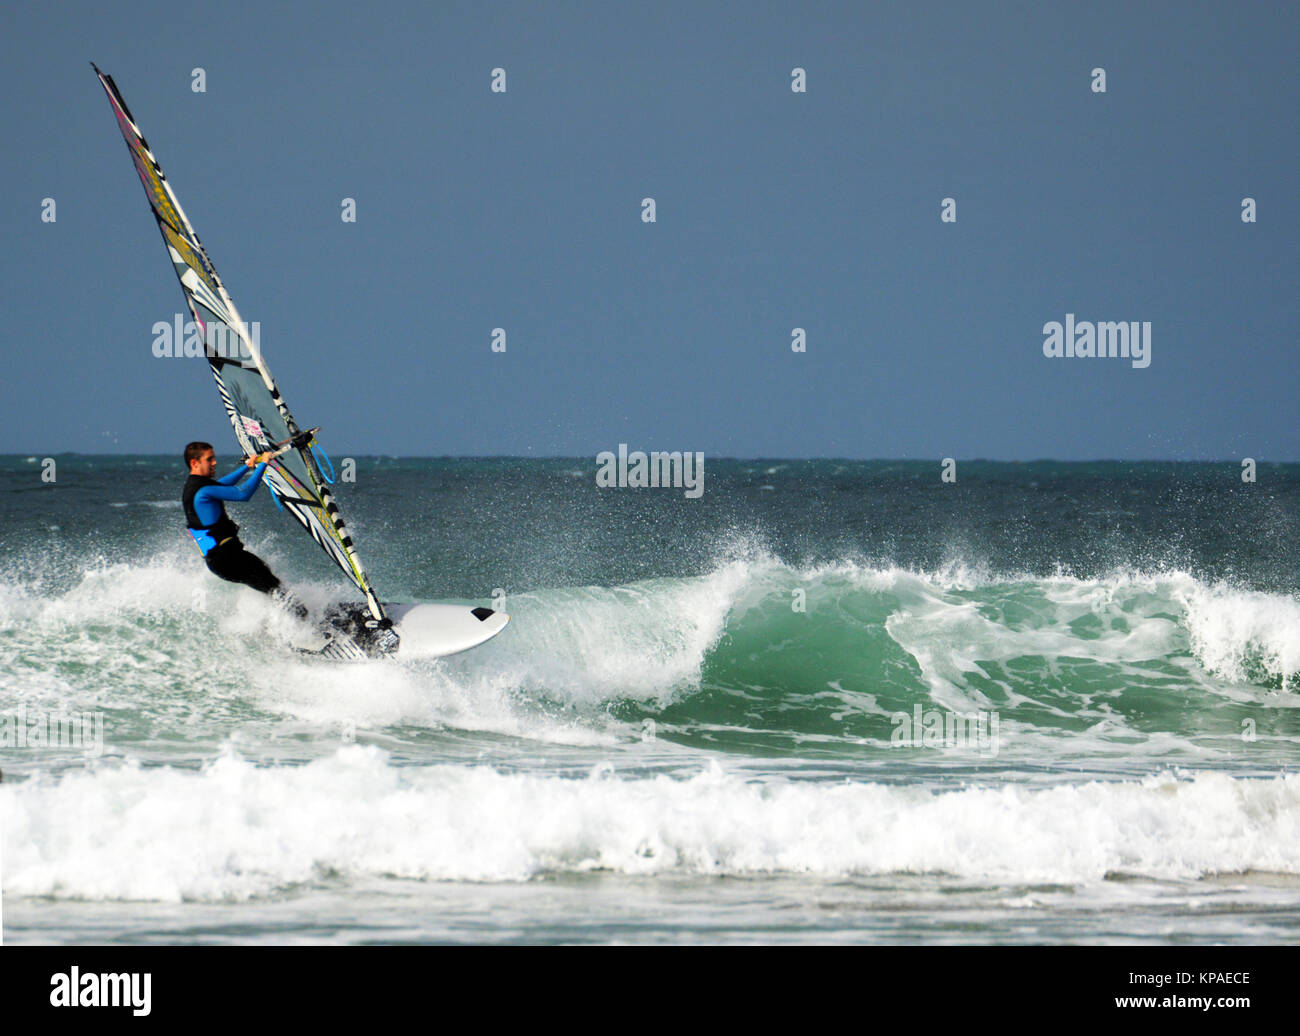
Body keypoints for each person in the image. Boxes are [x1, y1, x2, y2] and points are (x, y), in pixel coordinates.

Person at [181, 441, 307, 618]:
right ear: (195, 463)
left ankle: (292, 624)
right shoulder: (204, 491)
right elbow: (243, 493)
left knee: (272, 585)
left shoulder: (194, 487)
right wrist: (263, 464)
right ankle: (309, 628)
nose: (214, 462)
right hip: (228, 559)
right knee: (274, 587)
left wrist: (248, 466)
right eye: (209, 460)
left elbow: (222, 486)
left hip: (222, 561)